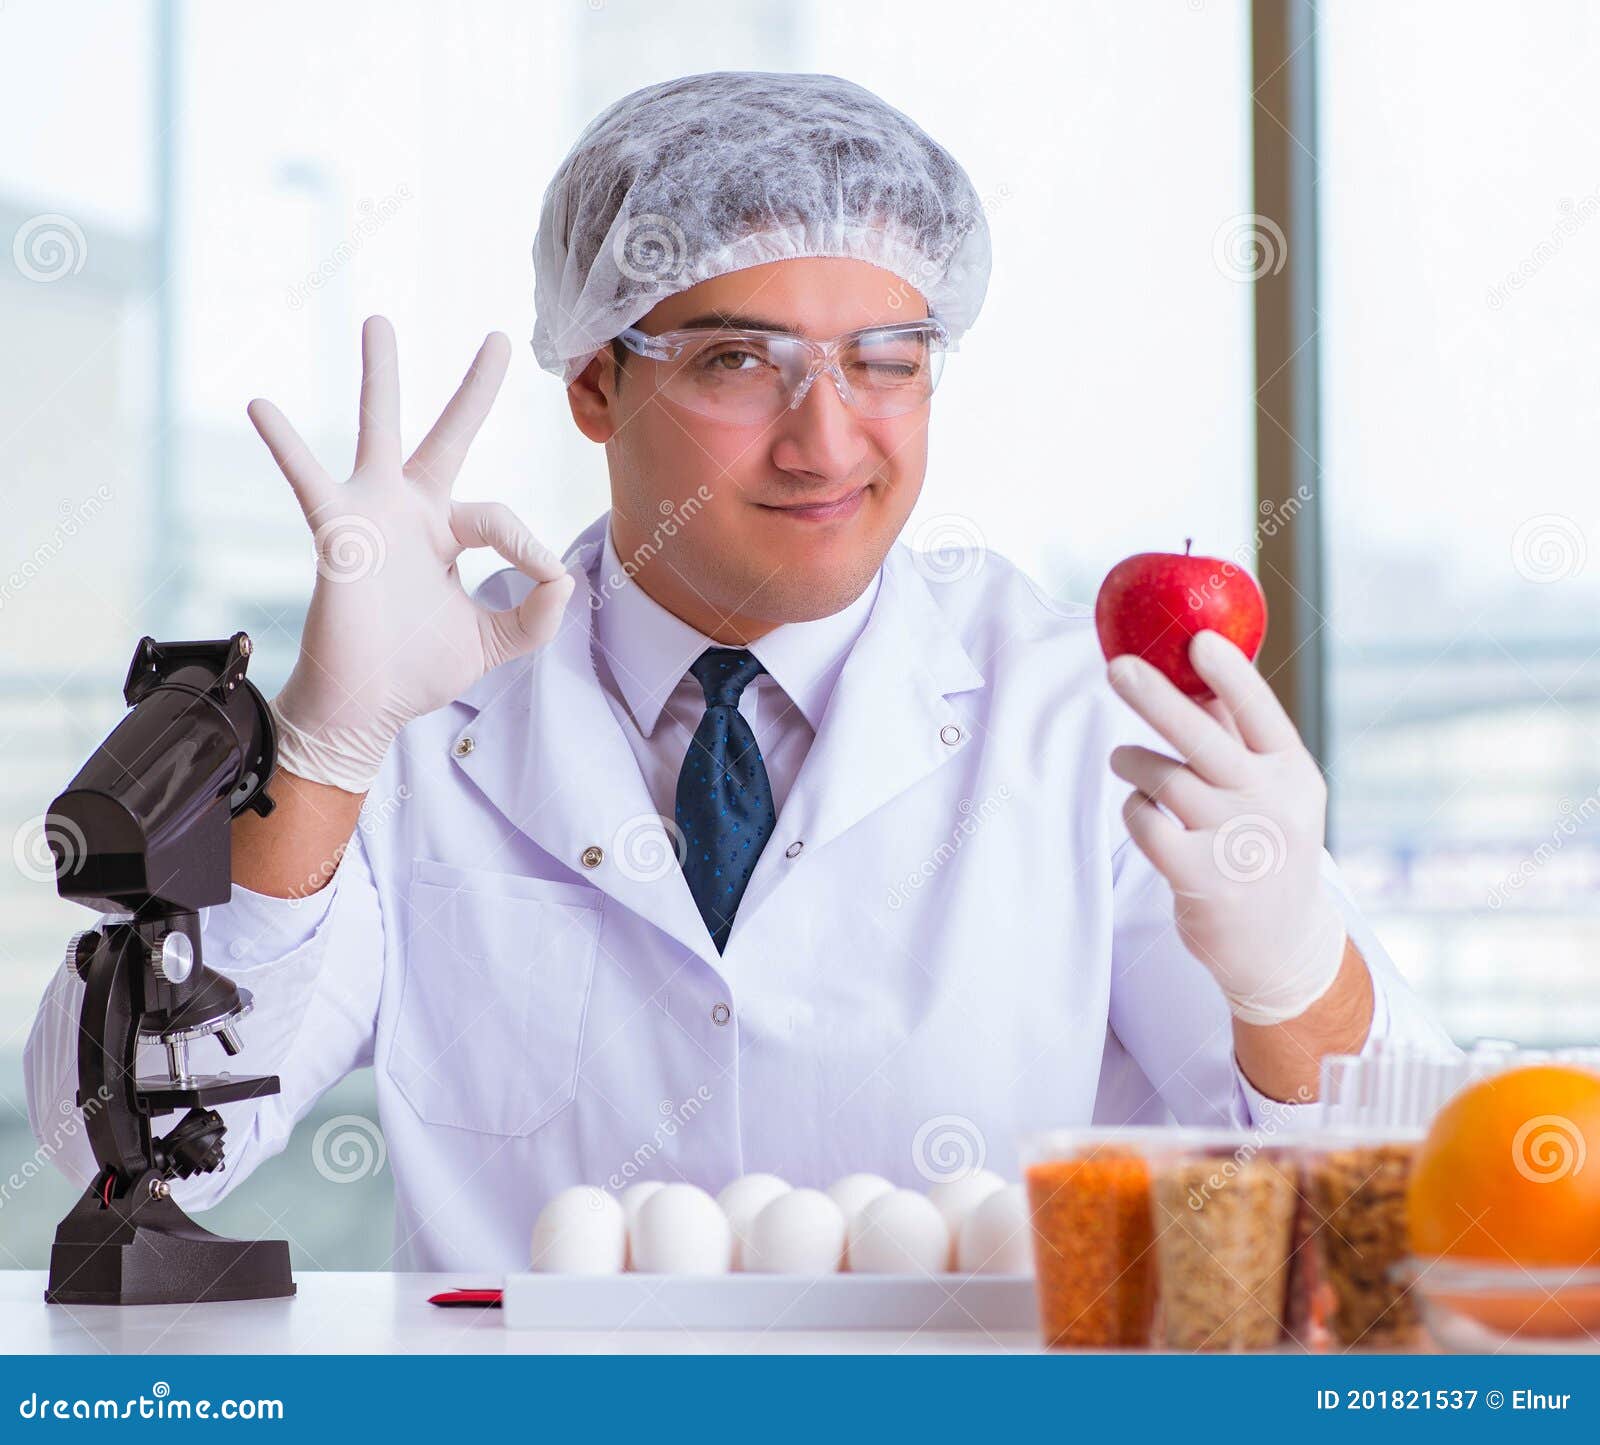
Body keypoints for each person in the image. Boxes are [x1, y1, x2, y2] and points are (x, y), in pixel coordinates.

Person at [25, 71, 1454, 1272]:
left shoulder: (1074, 716)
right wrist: (324, 756)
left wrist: (1290, 969)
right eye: (737, 361)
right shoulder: (427, 713)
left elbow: (1388, 1220)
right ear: (594, 380)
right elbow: (114, 1150)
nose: (826, 441)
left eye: (885, 360)